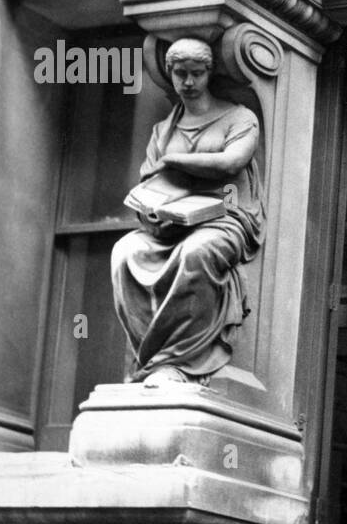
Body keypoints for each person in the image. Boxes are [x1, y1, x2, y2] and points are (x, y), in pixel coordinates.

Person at [111, 38, 265, 385]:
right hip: (173, 223)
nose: (188, 82)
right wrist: (152, 213)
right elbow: (149, 184)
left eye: (197, 73)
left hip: (225, 217)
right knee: (126, 251)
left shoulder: (239, 118)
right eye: (180, 73)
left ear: (209, 73)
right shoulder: (162, 131)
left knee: (196, 253)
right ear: (170, 72)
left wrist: (175, 160)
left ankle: (178, 363)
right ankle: (151, 359)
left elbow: (231, 162)